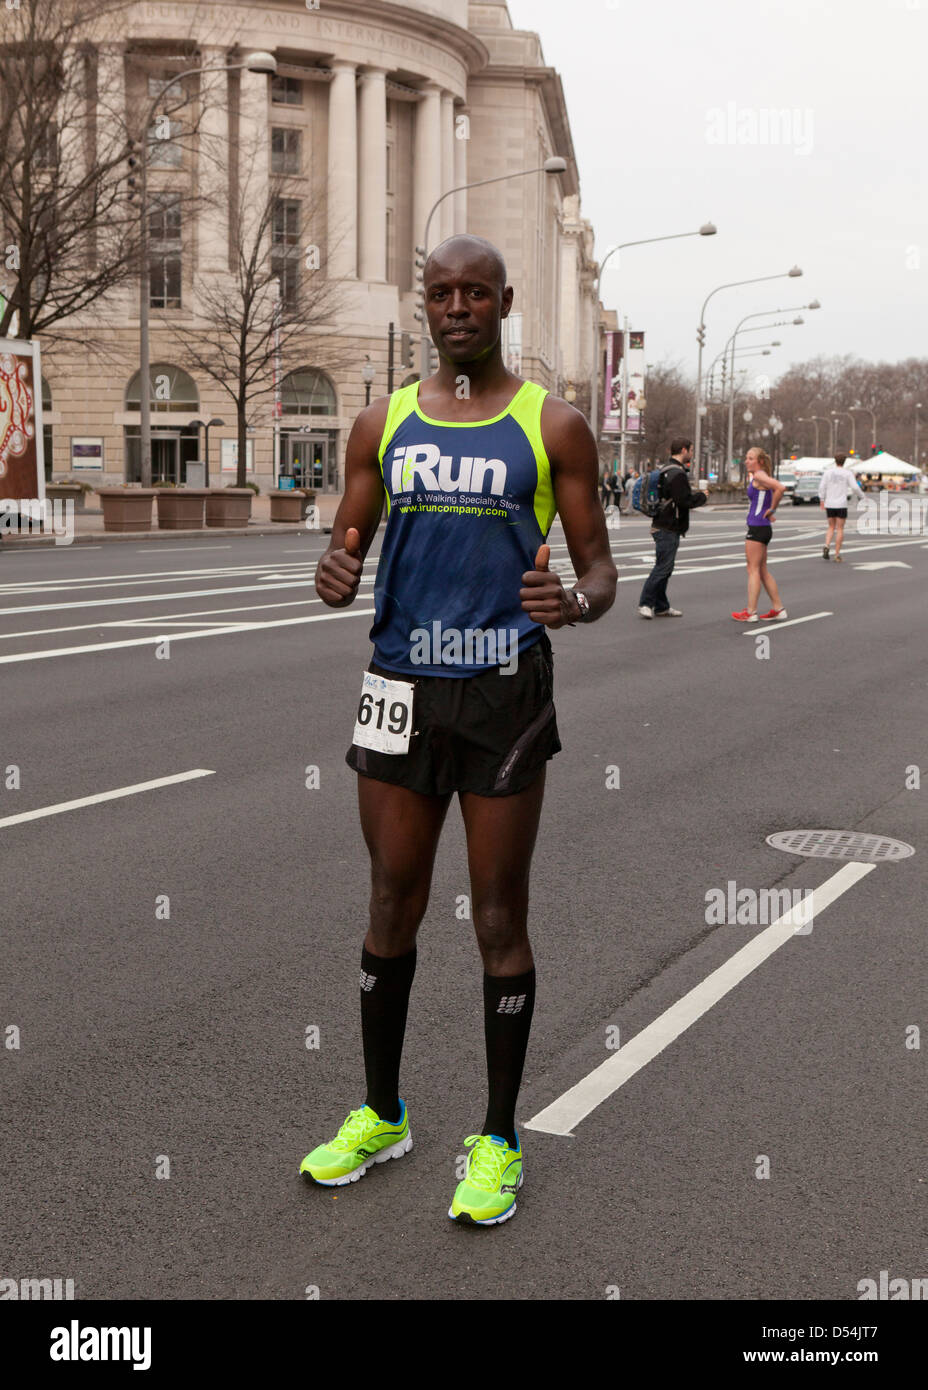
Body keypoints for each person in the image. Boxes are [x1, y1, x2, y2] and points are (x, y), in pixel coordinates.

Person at [302, 233, 617, 1226]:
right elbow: (346, 535)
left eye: (476, 293)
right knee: (390, 900)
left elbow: (600, 568)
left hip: (501, 692)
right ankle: (382, 1112)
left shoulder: (552, 424)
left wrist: (575, 599)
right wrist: (333, 568)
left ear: (503, 302)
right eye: (441, 292)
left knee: (495, 918)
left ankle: (496, 1137)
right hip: (400, 683)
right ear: (423, 304)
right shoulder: (381, 421)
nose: (458, 308)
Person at [637, 439, 706, 618]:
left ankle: (661, 606)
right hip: (668, 526)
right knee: (663, 567)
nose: (692, 453)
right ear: (683, 450)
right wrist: (702, 497)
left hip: (662, 524)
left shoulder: (666, 469)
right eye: (690, 450)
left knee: (665, 567)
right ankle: (645, 603)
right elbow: (683, 501)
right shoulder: (677, 474)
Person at [731, 446, 788, 621]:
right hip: (762, 527)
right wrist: (768, 511)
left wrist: (772, 509)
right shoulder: (761, 476)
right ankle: (778, 609)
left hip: (757, 527)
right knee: (762, 570)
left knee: (753, 569)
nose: (747, 461)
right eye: (746, 458)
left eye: (750, 458)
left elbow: (780, 488)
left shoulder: (759, 476)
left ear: (760, 461)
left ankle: (750, 612)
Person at [819, 452, 864, 562]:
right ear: (844, 462)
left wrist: (822, 499)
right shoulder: (847, 473)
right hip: (841, 504)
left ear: (835, 461)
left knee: (830, 527)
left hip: (829, 503)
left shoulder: (828, 473)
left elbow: (822, 486)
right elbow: (855, 487)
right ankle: (837, 554)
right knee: (840, 528)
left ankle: (827, 545)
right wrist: (862, 496)